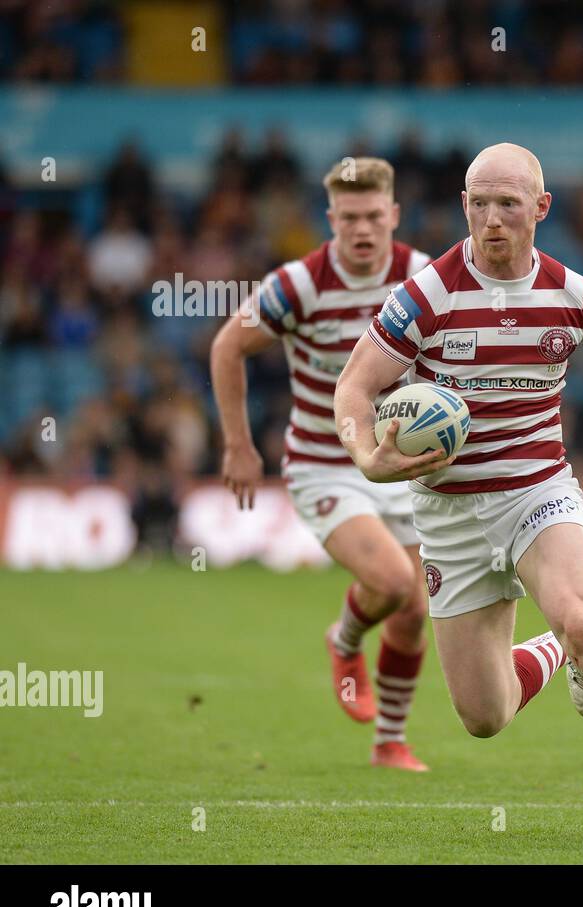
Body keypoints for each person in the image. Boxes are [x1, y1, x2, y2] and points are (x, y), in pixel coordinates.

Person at [334, 143, 583, 841]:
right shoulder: (426, 296)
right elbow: (354, 386)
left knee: (581, 615)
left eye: (508, 203)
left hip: (537, 493)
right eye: (479, 203)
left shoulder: (577, 296)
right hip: (448, 515)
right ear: (464, 209)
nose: (492, 219)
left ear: (541, 208)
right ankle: (559, 651)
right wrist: (367, 457)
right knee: (484, 716)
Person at [211, 157, 445, 771]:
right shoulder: (300, 283)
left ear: (393, 214)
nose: (362, 230)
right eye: (349, 220)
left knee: (416, 609)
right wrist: (237, 443)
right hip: (324, 463)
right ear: (331, 220)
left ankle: (389, 743)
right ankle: (343, 641)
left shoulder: (422, 277)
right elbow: (228, 345)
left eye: (373, 217)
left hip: (400, 466)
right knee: (394, 584)